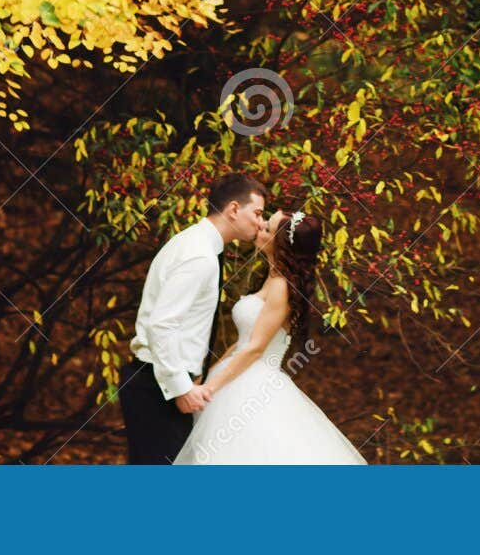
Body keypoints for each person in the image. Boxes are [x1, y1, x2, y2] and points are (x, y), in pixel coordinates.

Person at [173, 209, 366, 464]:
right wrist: (211, 373)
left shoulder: (282, 287)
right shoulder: (270, 278)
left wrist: (210, 388)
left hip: (254, 385)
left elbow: (255, 348)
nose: (260, 226)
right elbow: (242, 343)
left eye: (267, 228)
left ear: (280, 243)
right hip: (237, 376)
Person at [119, 173, 266, 464]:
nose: (261, 223)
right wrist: (181, 387)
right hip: (157, 387)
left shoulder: (197, 245)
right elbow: (161, 324)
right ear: (234, 209)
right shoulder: (198, 255)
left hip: (160, 380)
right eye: (258, 213)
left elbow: (182, 323)